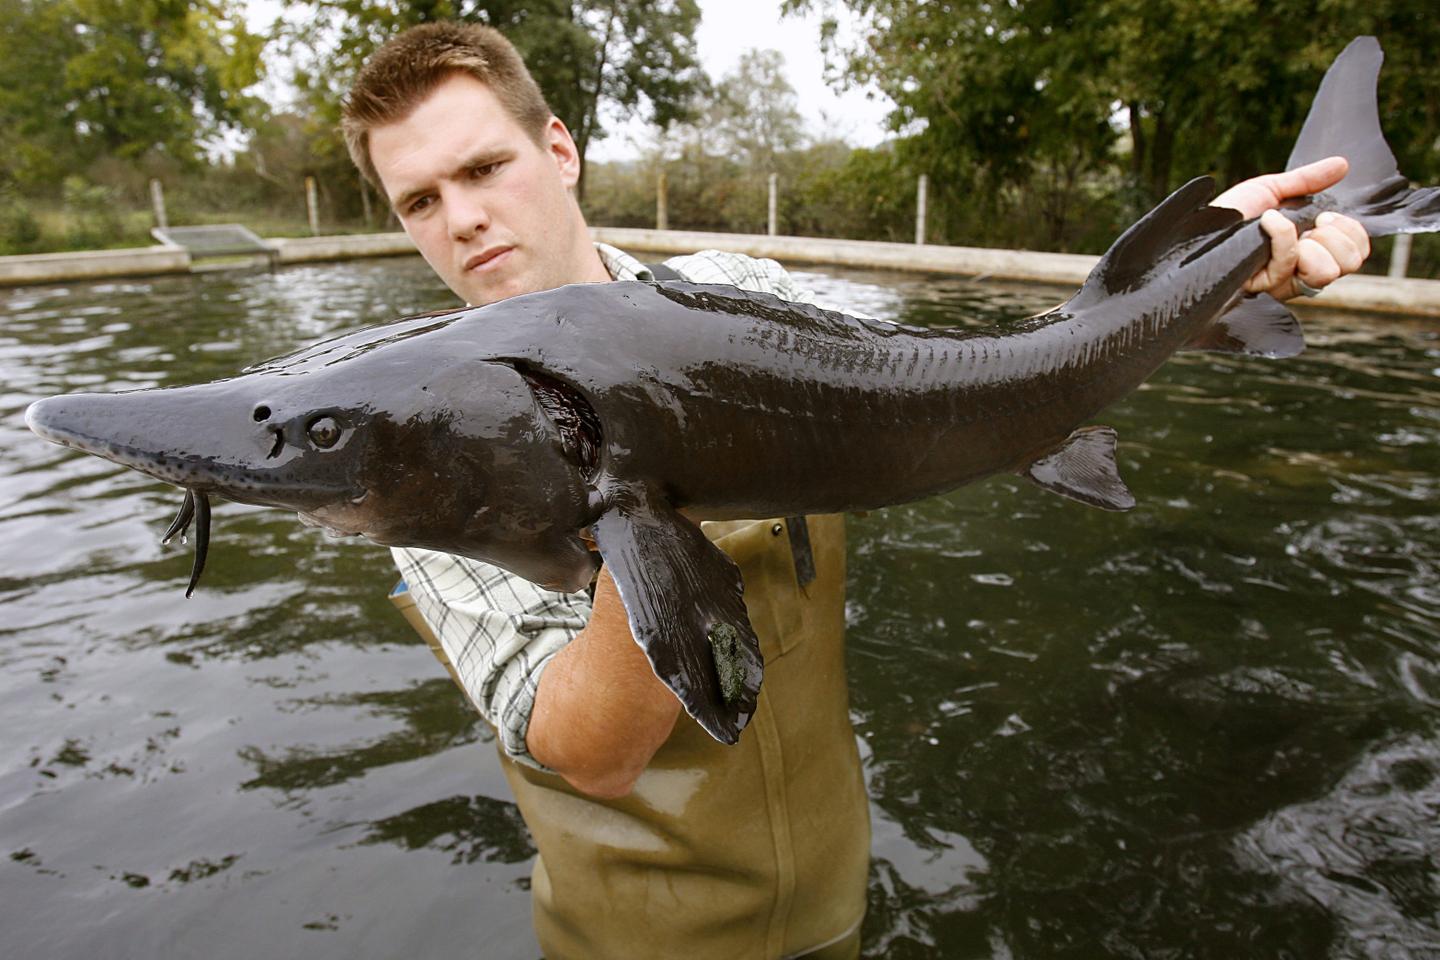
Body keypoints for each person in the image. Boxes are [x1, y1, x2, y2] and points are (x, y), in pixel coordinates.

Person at [339, 22, 1371, 960]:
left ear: (557, 151)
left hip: (837, 899)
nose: (463, 218)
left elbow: (978, 382)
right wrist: (645, 470)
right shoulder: (425, 453)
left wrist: (1194, 280)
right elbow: (589, 757)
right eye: (420, 200)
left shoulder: (747, 294)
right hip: (641, 939)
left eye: (484, 167)